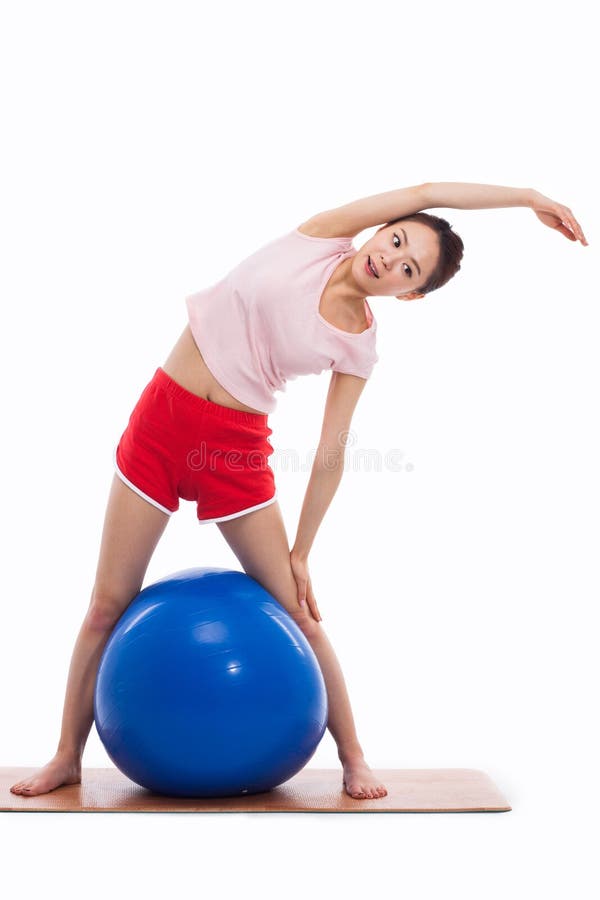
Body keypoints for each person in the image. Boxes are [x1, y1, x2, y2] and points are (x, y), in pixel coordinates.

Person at [10, 182, 587, 802]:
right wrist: (526, 196)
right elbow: (428, 189)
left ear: (410, 293)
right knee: (103, 605)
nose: (391, 260)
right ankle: (67, 755)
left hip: (231, 451)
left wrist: (302, 550)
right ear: (379, 229)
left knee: (301, 614)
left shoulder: (358, 344)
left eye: (408, 268)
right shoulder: (319, 236)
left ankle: (355, 757)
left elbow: (332, 450)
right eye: (396, 240)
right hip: (159, 423)